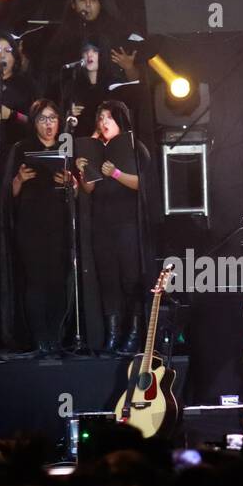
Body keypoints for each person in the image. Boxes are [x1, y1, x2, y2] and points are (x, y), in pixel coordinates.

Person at [76, 100, 150, 356]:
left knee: (130, 278)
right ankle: (113, 333)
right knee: (108, 279)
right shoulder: (97, 149)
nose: (103, 123)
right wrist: (83, 171)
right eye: (100, 118)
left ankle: (134, 333)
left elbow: (144, 185)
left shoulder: (133, 146)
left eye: (109, 118)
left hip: (127, 223)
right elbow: (89, 189)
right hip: (102, 222)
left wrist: (116, 173)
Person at [4, 99, 74, 357]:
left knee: (57, 282)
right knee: (35, 282)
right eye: (42, 119)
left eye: (52, 118)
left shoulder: (66, 147)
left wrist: (70, 183)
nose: (48, 124)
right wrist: (19, 179)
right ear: (34, 123)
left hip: (59, 223)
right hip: (30, 222)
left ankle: (55, 338)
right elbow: (7, 193)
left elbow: (79, 190)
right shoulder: (22, 148)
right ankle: (39, 338)